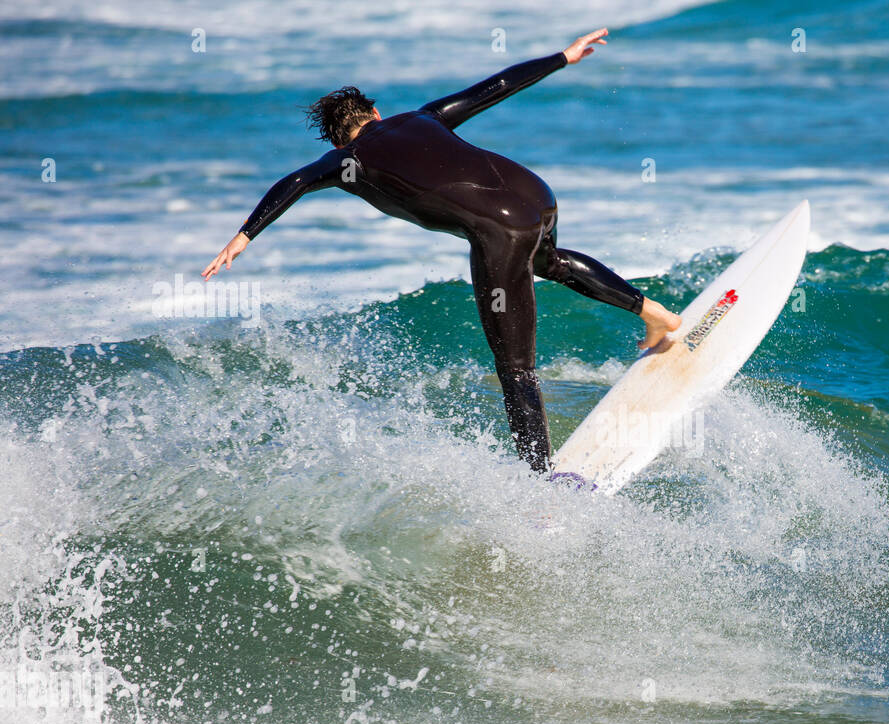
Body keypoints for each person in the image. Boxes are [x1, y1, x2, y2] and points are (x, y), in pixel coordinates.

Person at [202, 28, 680, 472]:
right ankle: (652, 312)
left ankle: (542, 480)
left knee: (514, 368)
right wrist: (563, 57)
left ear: (336, 138)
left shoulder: (345, 162)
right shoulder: (423, 116)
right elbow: (493, 86)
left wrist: (244, 235)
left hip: (498, 229)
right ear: (376, 114)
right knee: (549, 261)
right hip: (537, 194)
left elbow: (297, 180)